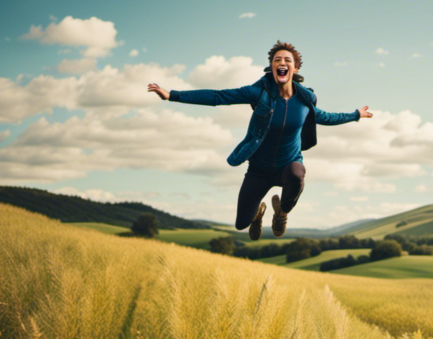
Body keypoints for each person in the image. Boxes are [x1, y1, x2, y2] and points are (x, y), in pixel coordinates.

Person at [147, 41, 372, 239]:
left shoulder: (304, 102)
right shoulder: (259, 93)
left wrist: (355, 115)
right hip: (259, 169)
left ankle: (282, 211)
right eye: (277, 60)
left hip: (288, 163)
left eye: (286, 60)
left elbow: (326, 117)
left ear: (295, 67)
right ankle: (256, 214)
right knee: (241, 223)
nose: (281, 62)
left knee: (297, 174)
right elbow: (219, 96)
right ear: (272, 66)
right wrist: (173, 95)